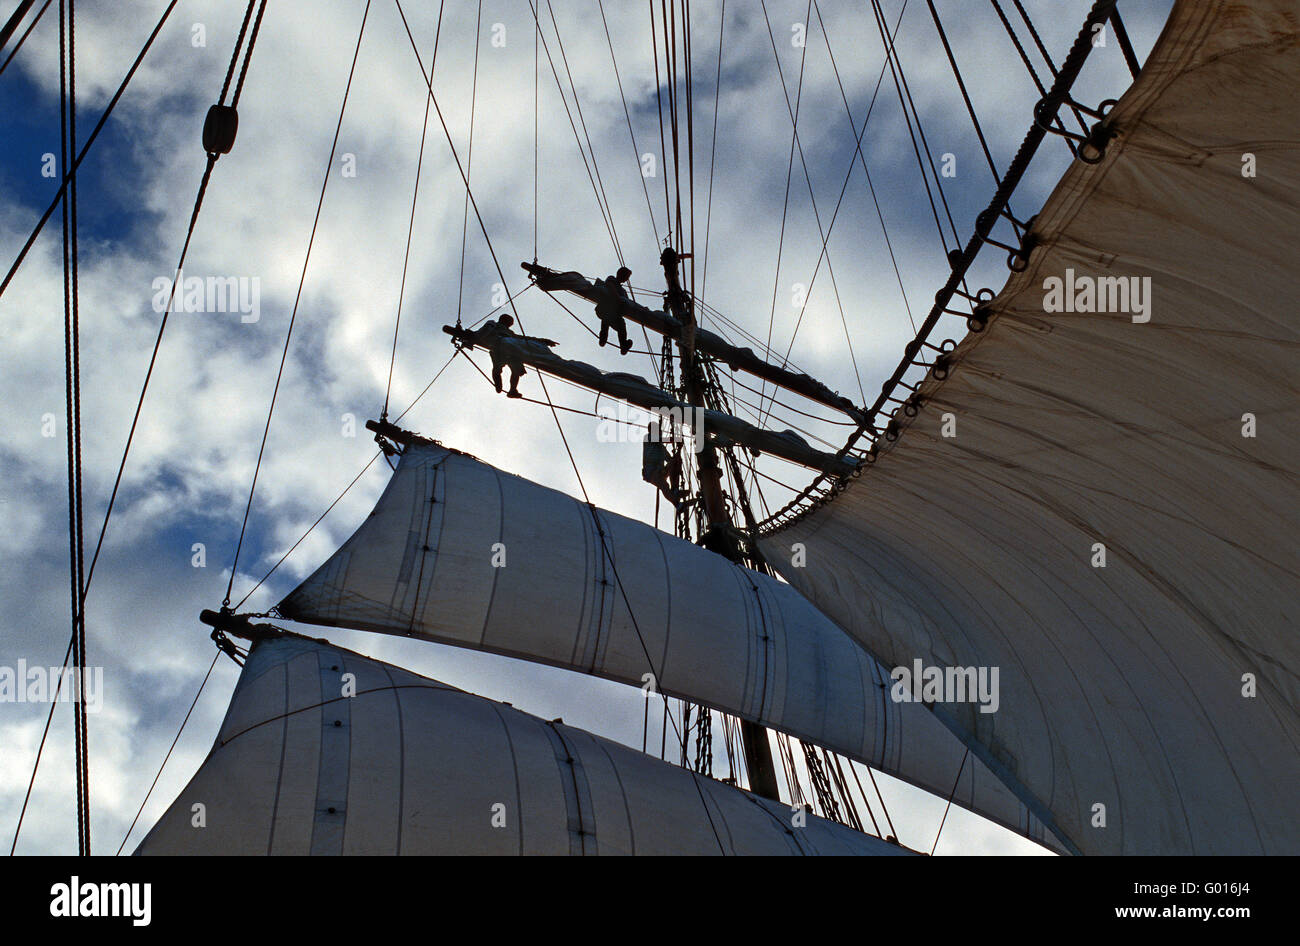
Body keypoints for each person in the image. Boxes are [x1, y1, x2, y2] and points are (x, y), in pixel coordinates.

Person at [470, 314, 555, 398]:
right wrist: (473, 337)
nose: (511, 325)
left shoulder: (510, 333)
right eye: (510, 322)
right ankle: (499, 385)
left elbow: (523, 338)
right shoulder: (493, 324)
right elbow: (482, 331)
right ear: (504, 320)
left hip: (511, 351)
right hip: (498, 347)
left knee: (515, 370)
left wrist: (542, 340)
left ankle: (512, 390)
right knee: (498, 368)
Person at [595, 266, 634, 355]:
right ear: (621, 274)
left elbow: (628, 303)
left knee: (620, 324)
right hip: (605, 308)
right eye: (626, 277)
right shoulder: (611, 279)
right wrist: (618, 299)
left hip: (613, 314)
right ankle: (604, 338)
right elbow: (610, 286)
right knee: (608, 315)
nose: (626, 279)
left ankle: (622, 345)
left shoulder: (623, 291)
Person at [641, 422, 683, 506]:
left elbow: (669, 459)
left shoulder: (661, 447)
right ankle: (677, 504)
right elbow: (661, 439)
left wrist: (678, 453)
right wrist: (675, 439)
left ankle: (675, 490)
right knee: (664, 486)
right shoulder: (648, 437)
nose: (660, 431)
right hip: (651, 471)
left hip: (660, 471)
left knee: (674, 461)